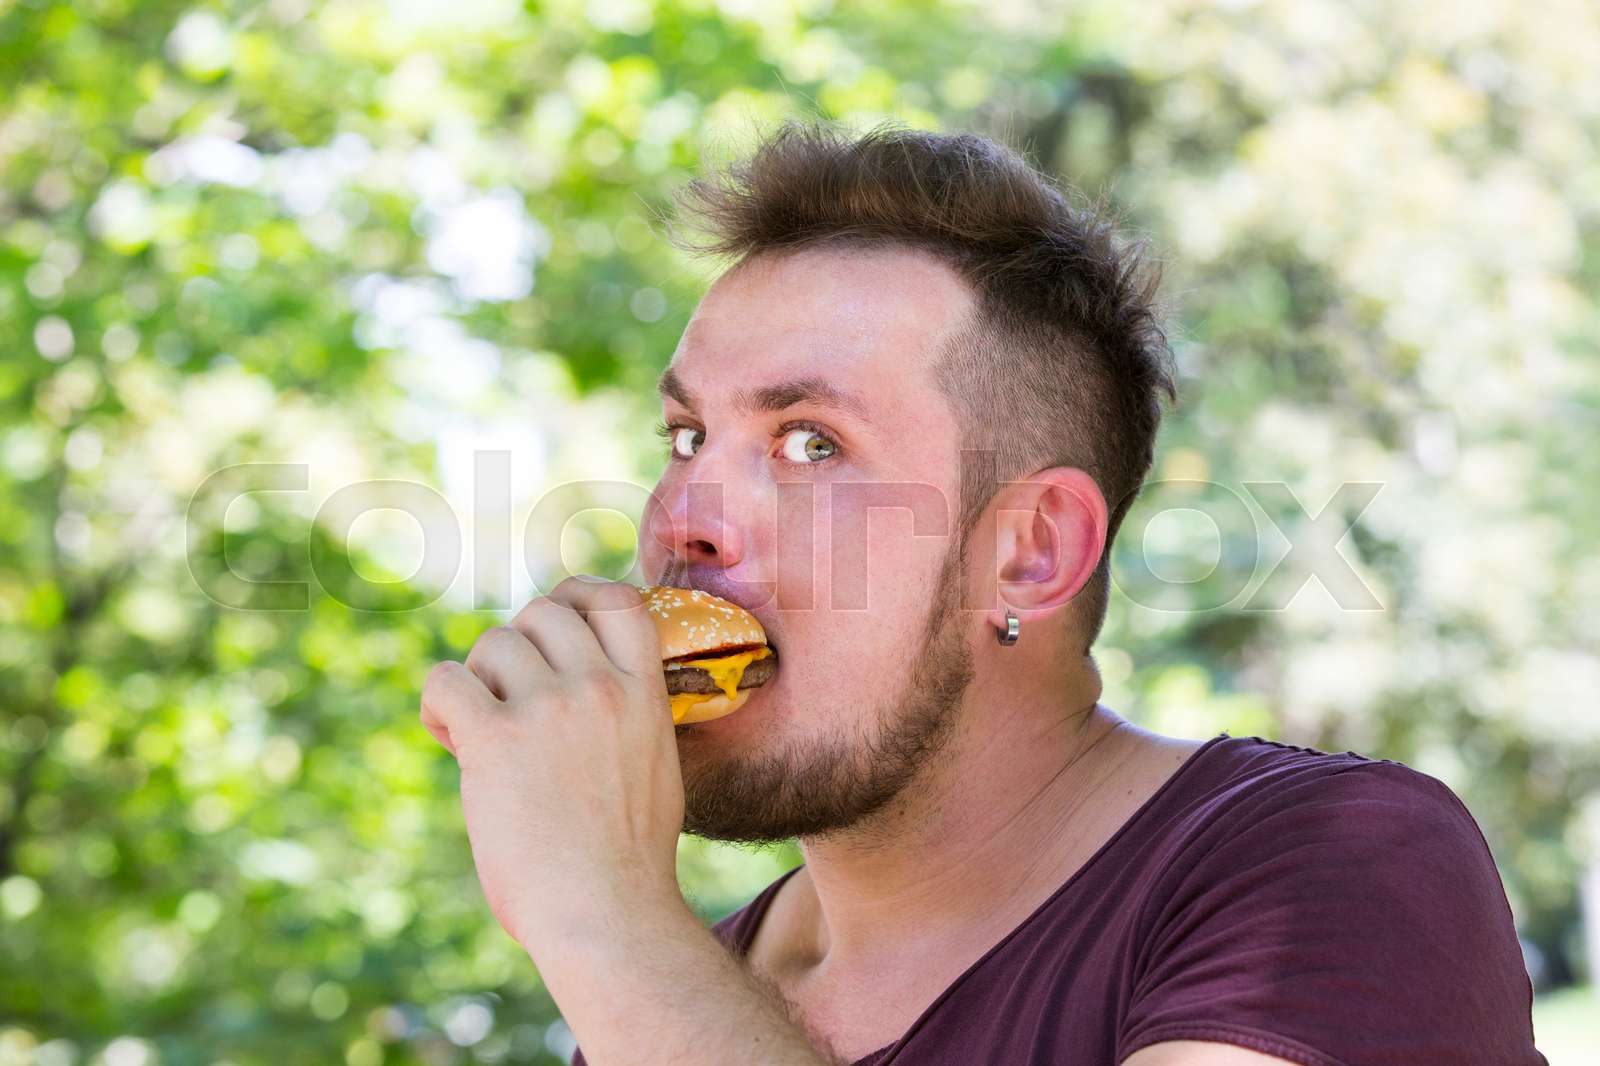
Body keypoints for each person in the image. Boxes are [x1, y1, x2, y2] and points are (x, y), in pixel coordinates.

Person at [419, 119, 1545, 1065]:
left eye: (810, 443)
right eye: (684, 435)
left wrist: (599, 912)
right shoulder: (667, 997)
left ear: (1029, 551)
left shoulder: (1330, 866)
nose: (683, 518)